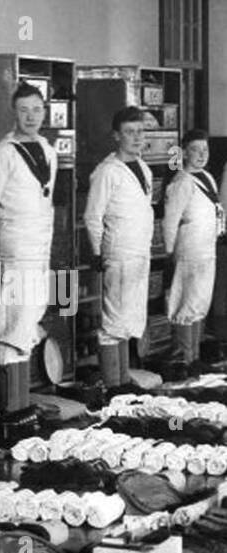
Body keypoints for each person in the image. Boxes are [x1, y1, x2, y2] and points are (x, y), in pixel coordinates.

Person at [0, 83, 58, 412]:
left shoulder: (48, 152)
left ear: (45, 112)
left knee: (29, 324)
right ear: (14, 112)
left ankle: (23, 405)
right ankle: (13, 411)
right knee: (11, 330)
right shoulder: (0, 156)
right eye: (24, 110)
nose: (31, 116)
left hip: (40, 252)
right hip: (13, 253)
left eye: (37, 109)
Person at [83, 106, 154, 388]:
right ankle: (113, 384)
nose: (136, 138)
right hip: (119, 253)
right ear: (116, 136)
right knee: (113, 322)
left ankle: (124, 379)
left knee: (129, 318)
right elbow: (92, 215)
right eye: (129, 132)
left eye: (140, 131)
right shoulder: (107, 171)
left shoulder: (144, 168)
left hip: (139, 252)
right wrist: (98, 252)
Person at [162, 129, 221, 376]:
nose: (201, 155)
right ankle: (184, 358)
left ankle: (195, 356)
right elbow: (170, 221)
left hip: (207, 249)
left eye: (204, 150)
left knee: (200, 301)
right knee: (186, 303)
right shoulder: (181, 182)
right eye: (195, 150)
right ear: (184, 152)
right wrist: (168, 252)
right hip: (188, 251)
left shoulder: (207, 177)